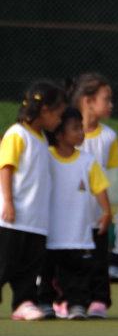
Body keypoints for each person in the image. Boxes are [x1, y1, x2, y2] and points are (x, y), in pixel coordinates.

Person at [0, 81, 66, 321]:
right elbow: (5, 168)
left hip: (35, 220)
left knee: (30, 267)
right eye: (58, 113)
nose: (59, 120)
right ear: (45, 110)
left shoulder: (41, 139)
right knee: (5, 263)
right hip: (13, 218)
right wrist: (7, 201)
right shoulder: (17, 134)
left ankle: (24, 303)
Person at [39, 107, 111, 320]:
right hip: (51, 231)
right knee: (47, 270)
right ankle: (45, 302)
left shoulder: (87, 161)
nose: (81, 132)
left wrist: (107, 211)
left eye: (81, 128)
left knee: (77, 272)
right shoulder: (46, 157)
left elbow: (99, 187)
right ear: (59, 134)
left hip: (78, 231)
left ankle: (77, 304)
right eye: (75, 128)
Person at [73, 72, 118, 318]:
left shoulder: (109, 137)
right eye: (106, 99)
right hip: (71, 212)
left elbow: (108, 177)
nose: (111, 105)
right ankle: (70, 299)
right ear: (88, 100)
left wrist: (107, 210)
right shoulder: (64, 134)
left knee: (99, 257)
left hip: (97, 212)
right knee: (71, 259)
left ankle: (99, 300)